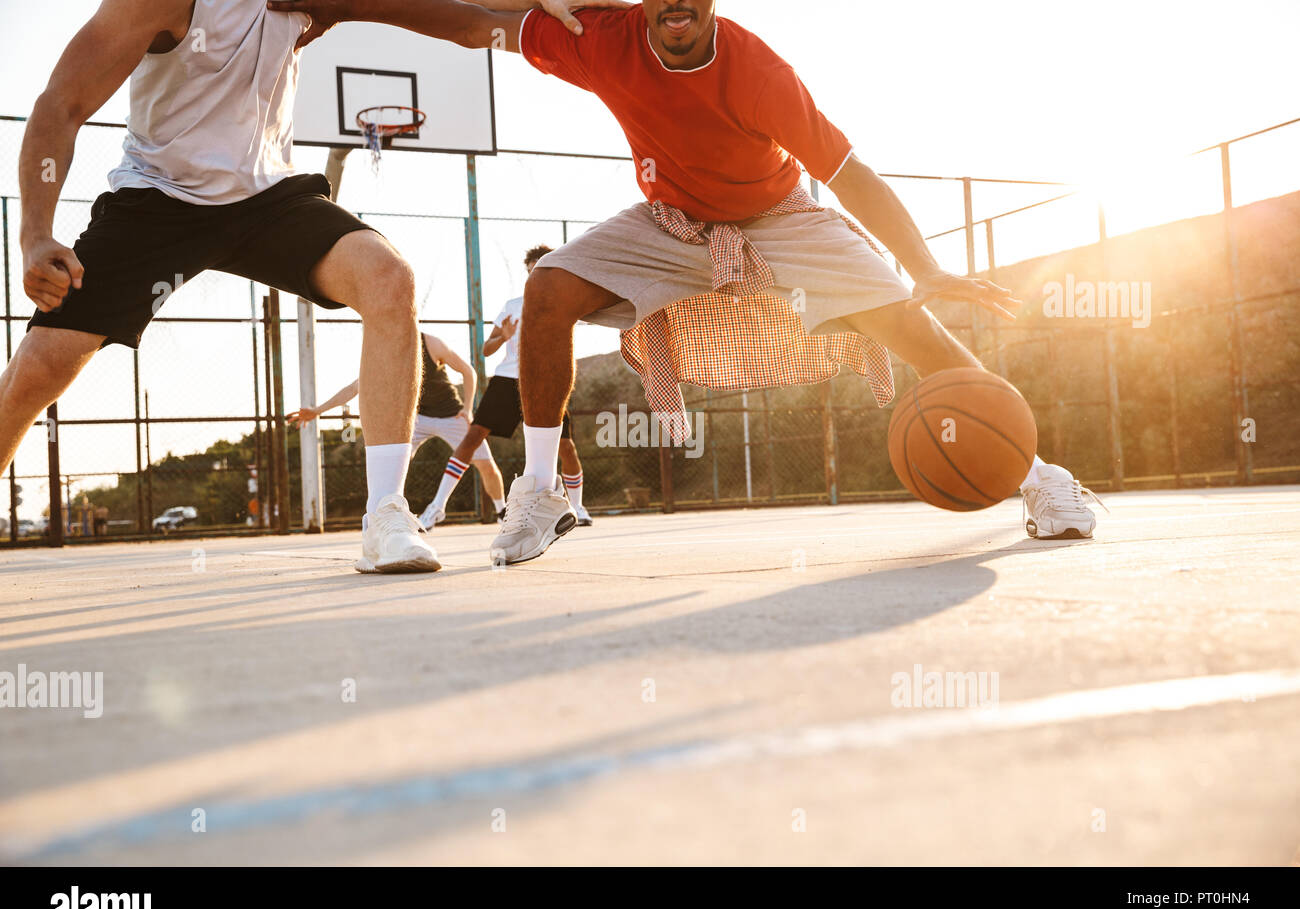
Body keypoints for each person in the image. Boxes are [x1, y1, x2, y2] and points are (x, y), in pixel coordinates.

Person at [270, 0, 1101, 565]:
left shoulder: (756, 71)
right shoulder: (606, 40)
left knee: (917, 329)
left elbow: (849, 174)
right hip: (671, 222)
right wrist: (346, 7)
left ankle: (1042, 478)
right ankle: (538, 494)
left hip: (781, 216)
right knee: (552, 292)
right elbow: (475, 20)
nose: (675, 7)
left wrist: (927, 269)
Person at [0, 0, 613, 574]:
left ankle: (385, 517)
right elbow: (61, 104)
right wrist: (34, 234)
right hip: (158, 198)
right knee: (43, 363)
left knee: (388, 278)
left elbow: (460, 15)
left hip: (269, 200)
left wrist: (543, 5)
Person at [420, 245, 594, 529]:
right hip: (508, 379)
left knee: (566, 448)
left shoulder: (563, 302)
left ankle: (577, 507)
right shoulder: (513, 306)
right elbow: (487, 349)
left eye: (540, 270)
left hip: (545, 381)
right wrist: (503, 336)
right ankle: (436, 507)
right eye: (530, 271)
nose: (534, 276)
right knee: (473, 436)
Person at [287, 330, 508, 520]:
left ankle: (501, 513)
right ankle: (390, 518)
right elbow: (356, 387)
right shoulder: (386, 352)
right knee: (393, 466)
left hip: (451, 414)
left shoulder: (431, 343)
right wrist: (317, 411)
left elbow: (468, 371)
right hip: (416, 419)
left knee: (486, 465)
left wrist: (467, 408)